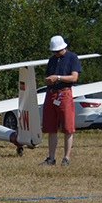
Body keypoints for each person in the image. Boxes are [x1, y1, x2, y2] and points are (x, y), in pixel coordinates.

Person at [41, 34, 80, 166]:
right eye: (54, 51)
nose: (55, 53)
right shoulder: (52, 59)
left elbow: (74, 78)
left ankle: (66, 158)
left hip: (64, 94)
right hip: (51, 94)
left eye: (57, 51)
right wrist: (48, 80)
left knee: (68, 127)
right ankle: (51, 158)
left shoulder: (72, 58)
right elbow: (47, 76)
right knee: (50, 127)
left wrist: (57, 78)